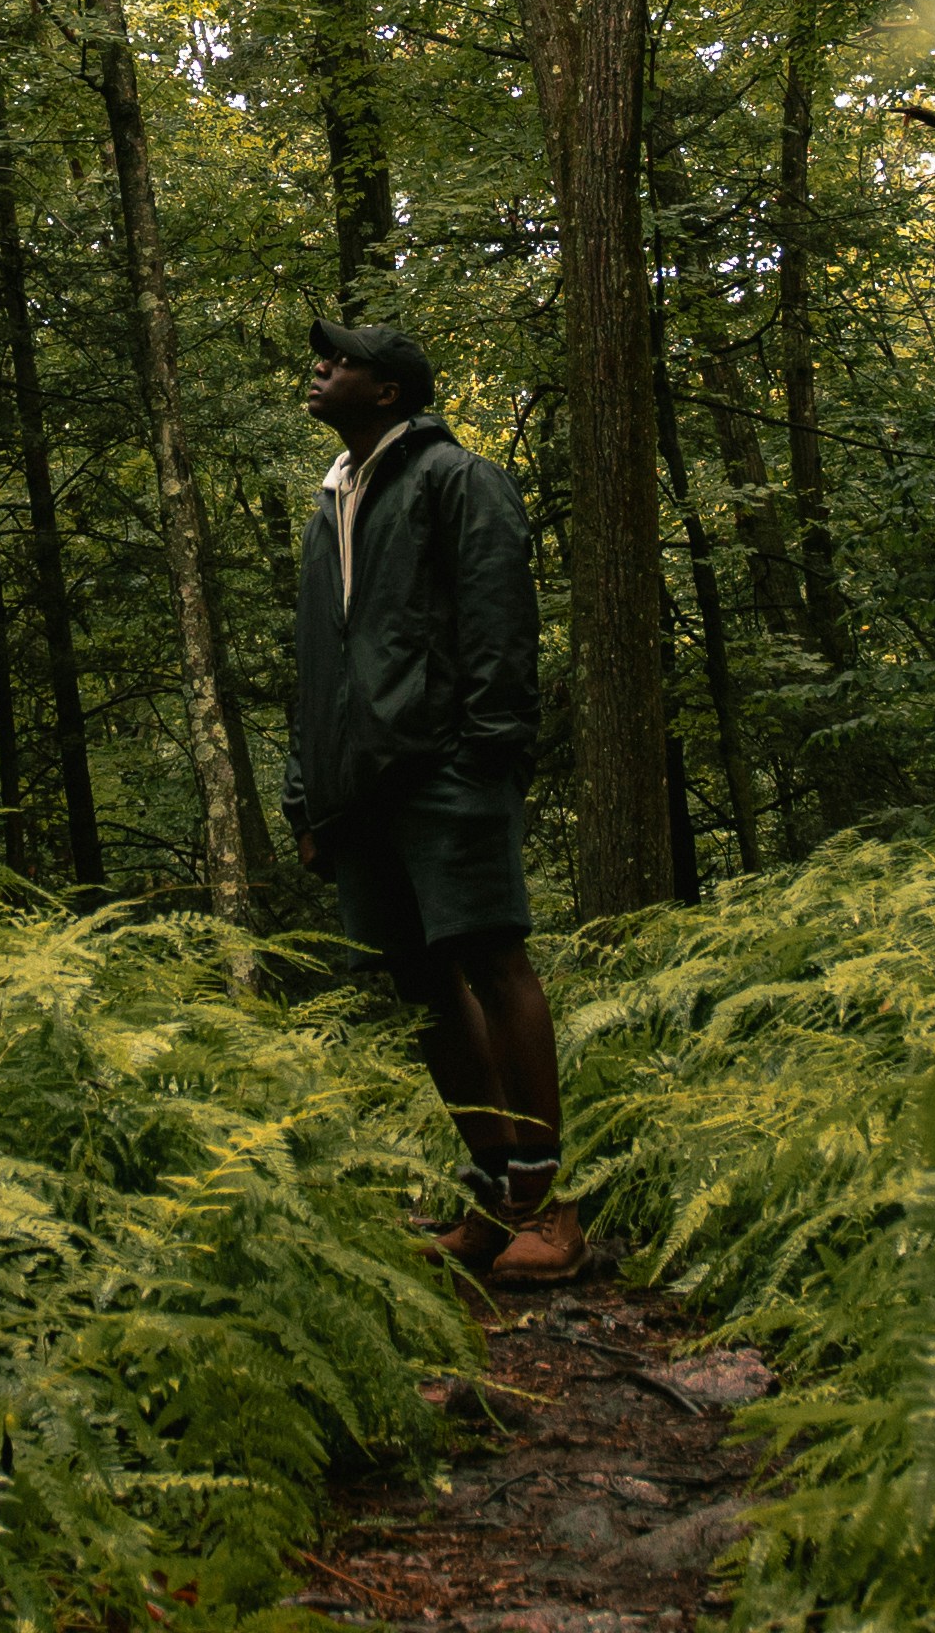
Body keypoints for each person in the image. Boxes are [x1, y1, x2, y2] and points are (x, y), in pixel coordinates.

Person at [287, 318, 582, 1286]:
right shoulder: (333, 502)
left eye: (342, 361)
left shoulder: (459, 478)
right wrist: (309, 796)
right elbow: (320, 664)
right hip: (356, 787)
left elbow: (500, 619)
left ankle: (549, 1205)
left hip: (448, 768)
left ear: (388, 392)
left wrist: (489, 750)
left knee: (491, 958)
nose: (320, 369)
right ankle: (489, 1197)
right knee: (418, 986)